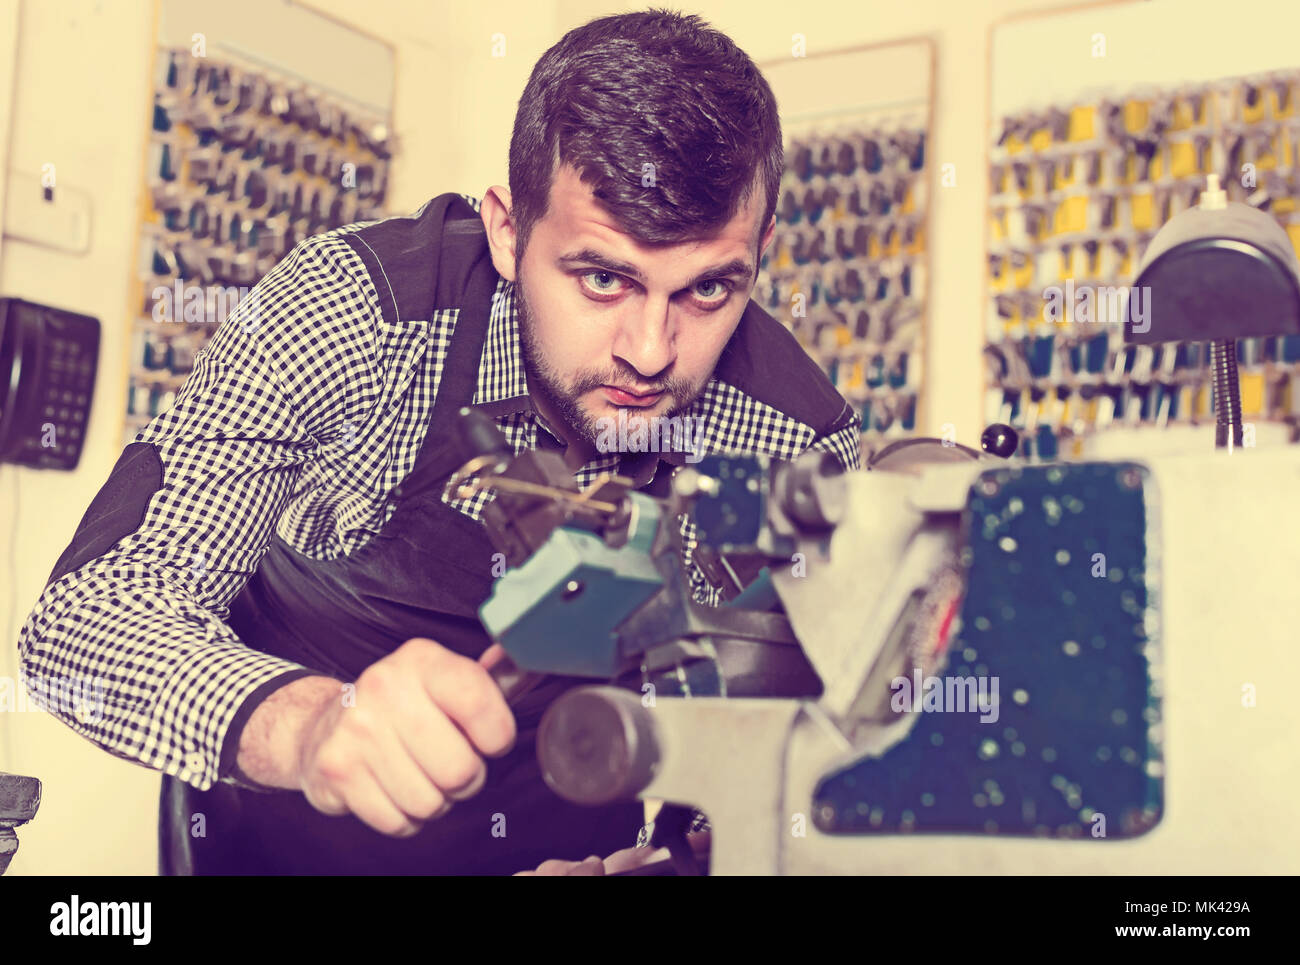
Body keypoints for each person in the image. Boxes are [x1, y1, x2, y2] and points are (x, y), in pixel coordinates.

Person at [17, 8, 860, 875]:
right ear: (506, 229)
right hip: (275, 838)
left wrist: (675, 859)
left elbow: (772, 739)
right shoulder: (349, 317)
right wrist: (309, 726)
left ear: (761, 251)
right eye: (603, 278)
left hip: (559, 839)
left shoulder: (796, 440)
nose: (650, 351)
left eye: (708, 290)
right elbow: (82, 625)